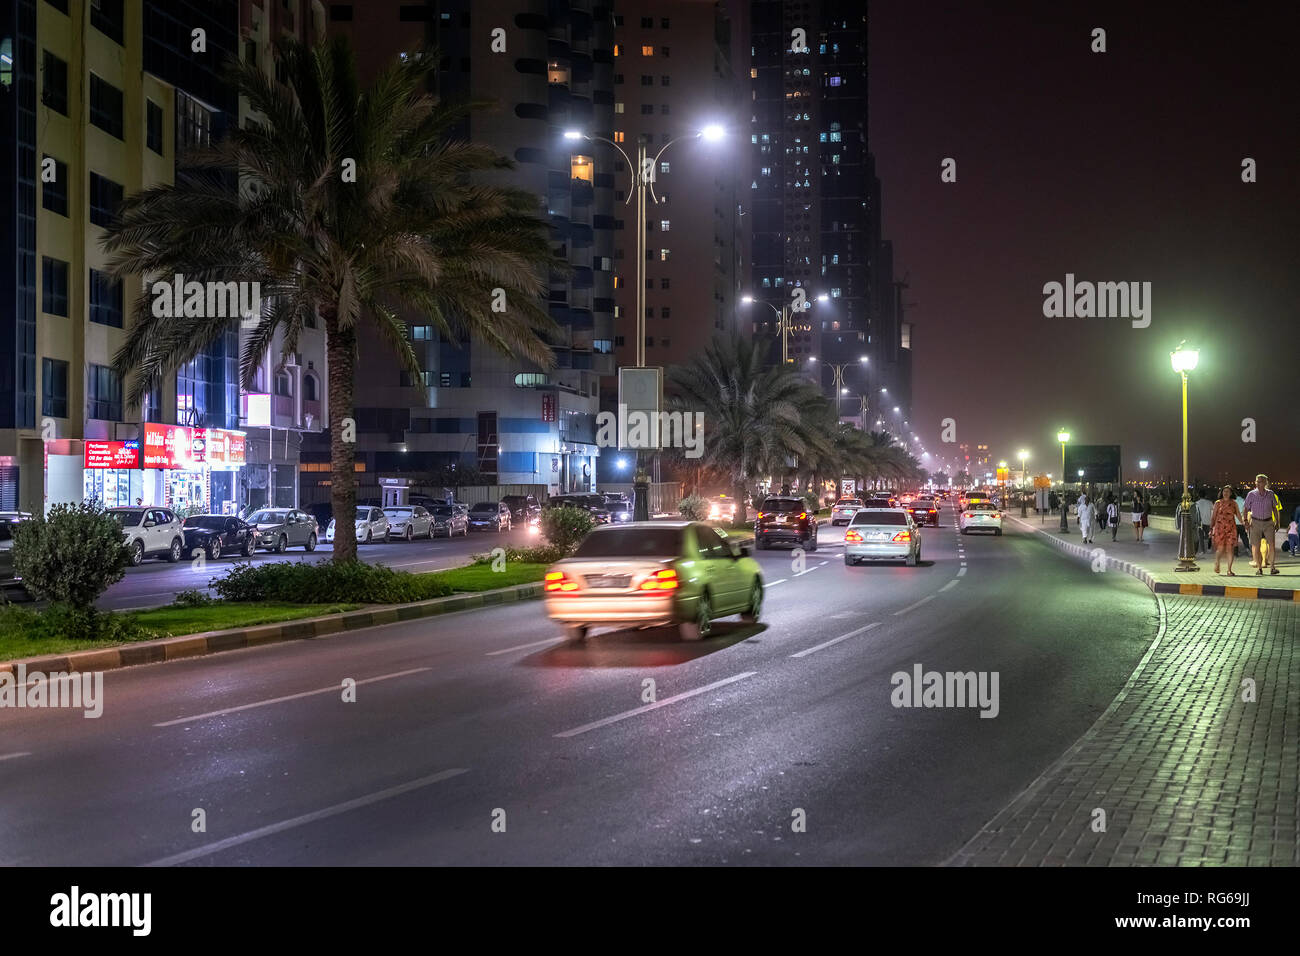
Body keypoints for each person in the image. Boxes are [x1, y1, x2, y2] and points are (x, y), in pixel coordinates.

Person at [1243, 474, 1280, 576]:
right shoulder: (1251, 494)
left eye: (1260, 481)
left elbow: (1274, 508)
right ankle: (1259, 568)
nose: (1258, 483)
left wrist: (1277, 521)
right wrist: (1245, 521)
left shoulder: (1270, 494)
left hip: (1268, 522)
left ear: (1265, 483)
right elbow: (1246, 508)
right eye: (1257, 481)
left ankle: (1272, 567)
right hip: (1255, 522)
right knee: (1256, 546)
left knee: (1271, 545)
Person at [1211, 485, 1241, 575]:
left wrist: (1244, 523)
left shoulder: (1234, 503)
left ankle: (1229, 570)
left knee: (1230, 549)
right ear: (1222, 493)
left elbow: (1238, 515)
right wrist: (1211, 528)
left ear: (1231, 493)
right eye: (1224, 491)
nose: (1226, 493)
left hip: (1231, 528)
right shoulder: (1218, 503)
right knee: (1220, 548)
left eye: (1228, 491)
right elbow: (1213, 517)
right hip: (1219, 528)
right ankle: (1217, 562)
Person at [1195, 488, 1214, 553]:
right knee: (1209, 536)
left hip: (1200, 523)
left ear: (1198, 496)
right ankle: (1209, 548)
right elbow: (1213, 511)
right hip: (1208, 521)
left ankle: (1203, 550)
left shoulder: (1196, 503)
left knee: (1201, 537)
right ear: (1205, 495)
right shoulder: (1210, 502)